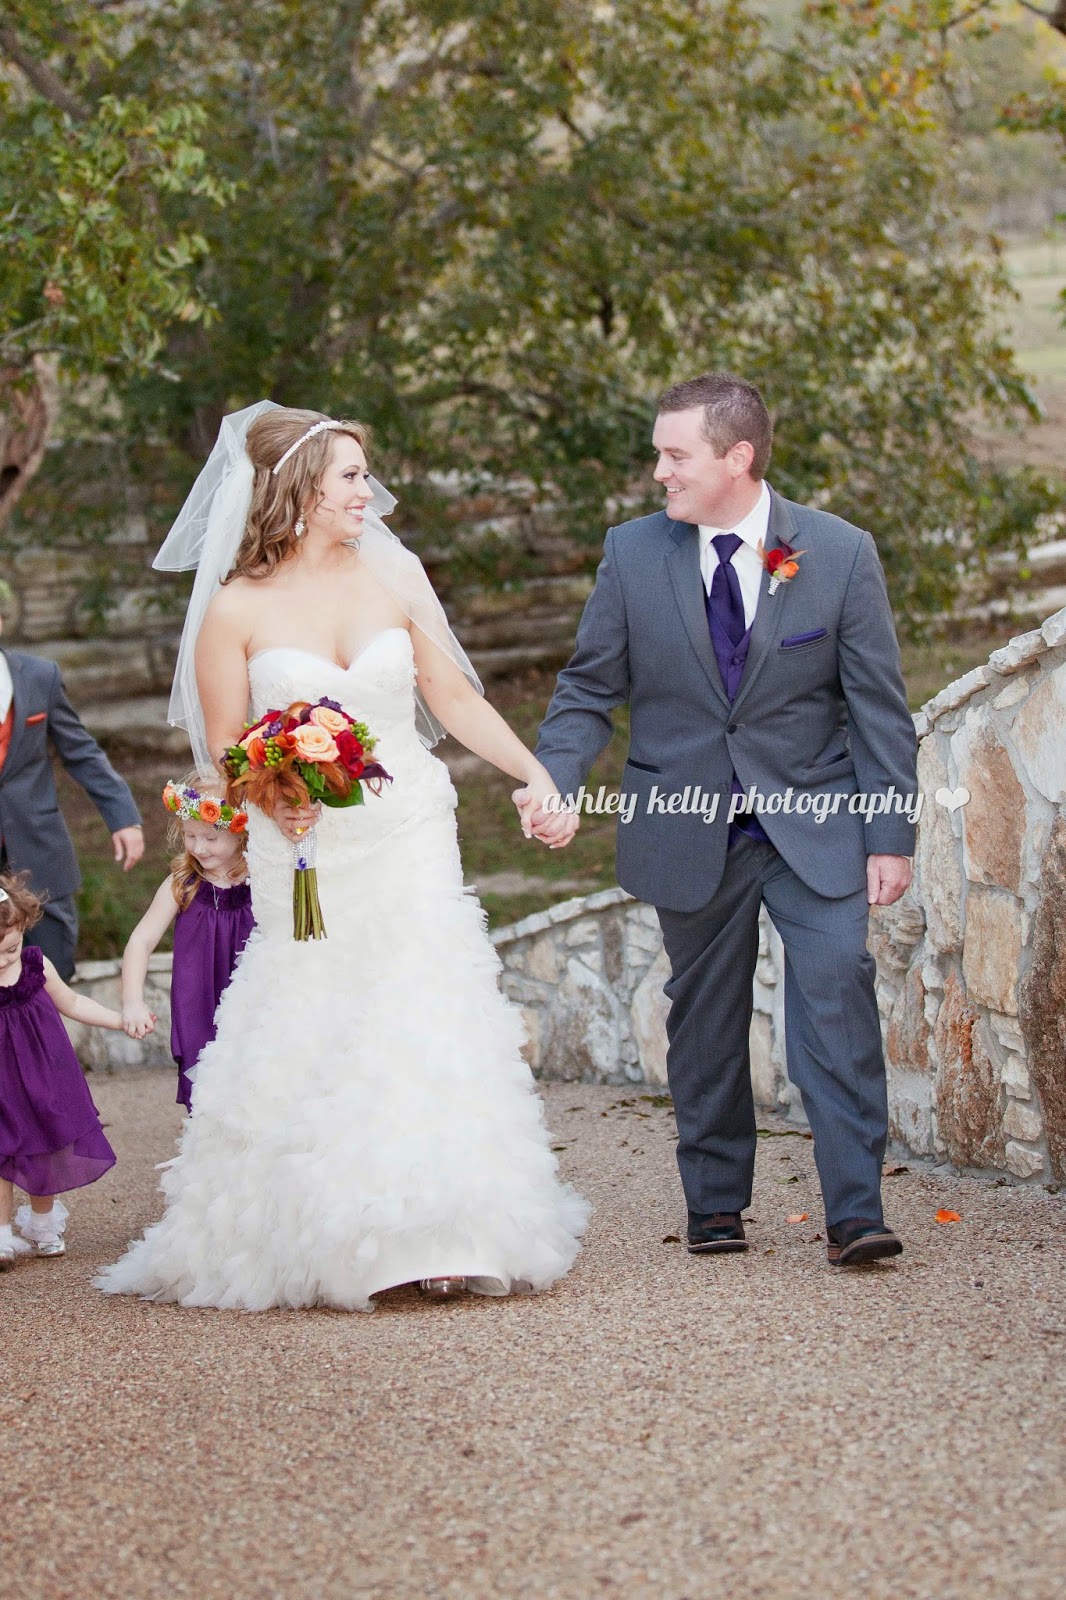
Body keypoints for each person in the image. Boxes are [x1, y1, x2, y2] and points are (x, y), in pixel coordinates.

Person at [97, 403, 587, 1311]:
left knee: (422, 1009)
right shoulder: (234, 610)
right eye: (353, 477)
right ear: (298, 489)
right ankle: (332, 1233)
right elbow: (224, 753)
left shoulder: (392, 579)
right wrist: (274, 793)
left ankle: (446, 1231)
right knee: (324, 1012)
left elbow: (451, 694)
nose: (371, 492)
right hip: (307, 850)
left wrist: (535, 774)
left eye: (365, 474)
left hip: (408, 835)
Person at [523, 372, 918, 1269]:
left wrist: (891, 833)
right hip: (685, 824)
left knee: (837, 998)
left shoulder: (840, 552)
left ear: (736, 458)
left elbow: (880, 710)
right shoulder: (632, 555)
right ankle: (714, 1203)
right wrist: (556, 778)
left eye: (674, 455)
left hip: (816, 828)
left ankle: (855, 1211)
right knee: (702, 1018)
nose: (658, 473)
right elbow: (588, 688)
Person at [0, 581, 144, 978]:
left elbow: (80, 751)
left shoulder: (39, 676)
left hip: (38, 849)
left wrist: (124, 817)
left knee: (53, 967)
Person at [0, 873, 127, 1269]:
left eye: (10, 948)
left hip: (44, 1075)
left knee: (48, 1146)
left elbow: (71, 1001)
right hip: (2, 1082)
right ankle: (1, 1236)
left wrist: (118, 1020)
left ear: (22, 929)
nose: (5, 959)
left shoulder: (36, 965)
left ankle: (42, 1223)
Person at [121, 778, 253, 1111]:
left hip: (251, 993)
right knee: (205, 1074)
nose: (199, 847)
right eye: (190, 836)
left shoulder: (261, 880)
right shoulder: (182, 884)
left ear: (241, 830)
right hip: (199, 999)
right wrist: (132, 1001)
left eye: (211, 837)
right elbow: (141, 939)